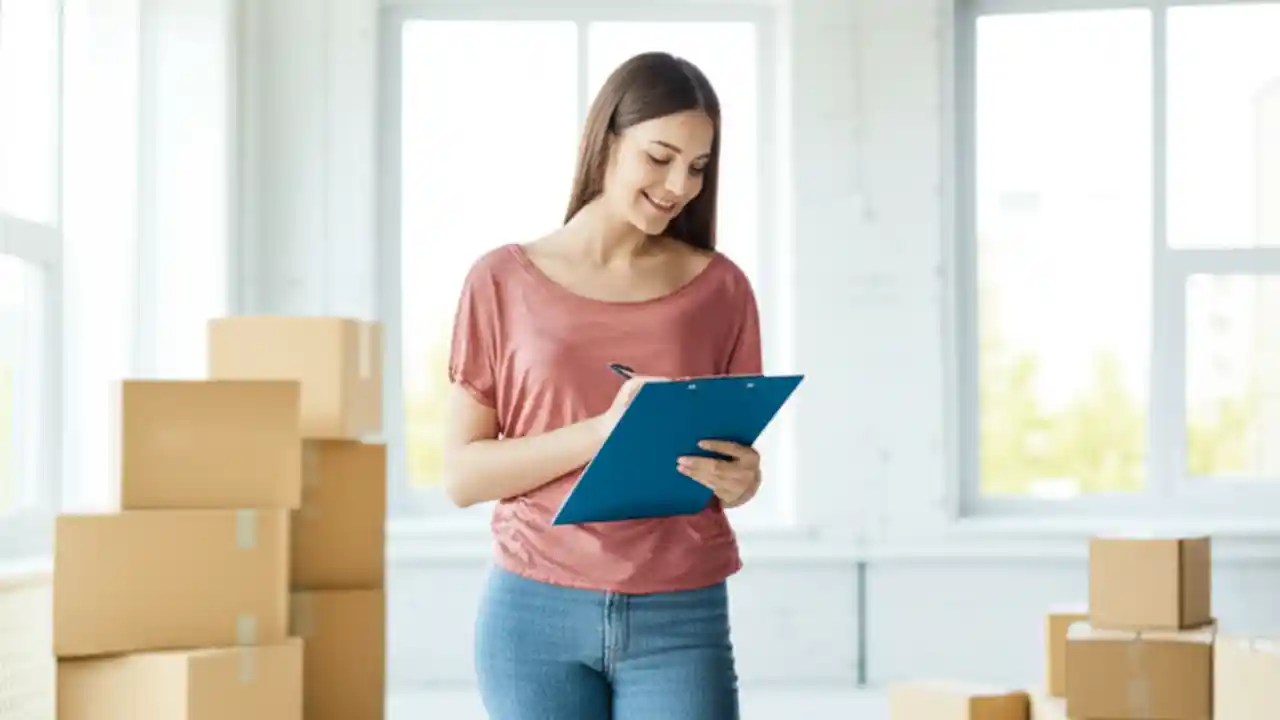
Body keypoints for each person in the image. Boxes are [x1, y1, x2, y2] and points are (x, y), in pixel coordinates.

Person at [442, 51, 765, 719]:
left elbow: (732, 461)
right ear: (606, 140)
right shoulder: (501, 281)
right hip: (532, 612)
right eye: (660, 156)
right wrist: (601, 433)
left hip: (680, 614)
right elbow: (464, 475)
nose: (679, 184)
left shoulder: (721, 289)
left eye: (698, 167)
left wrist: (742, 479)